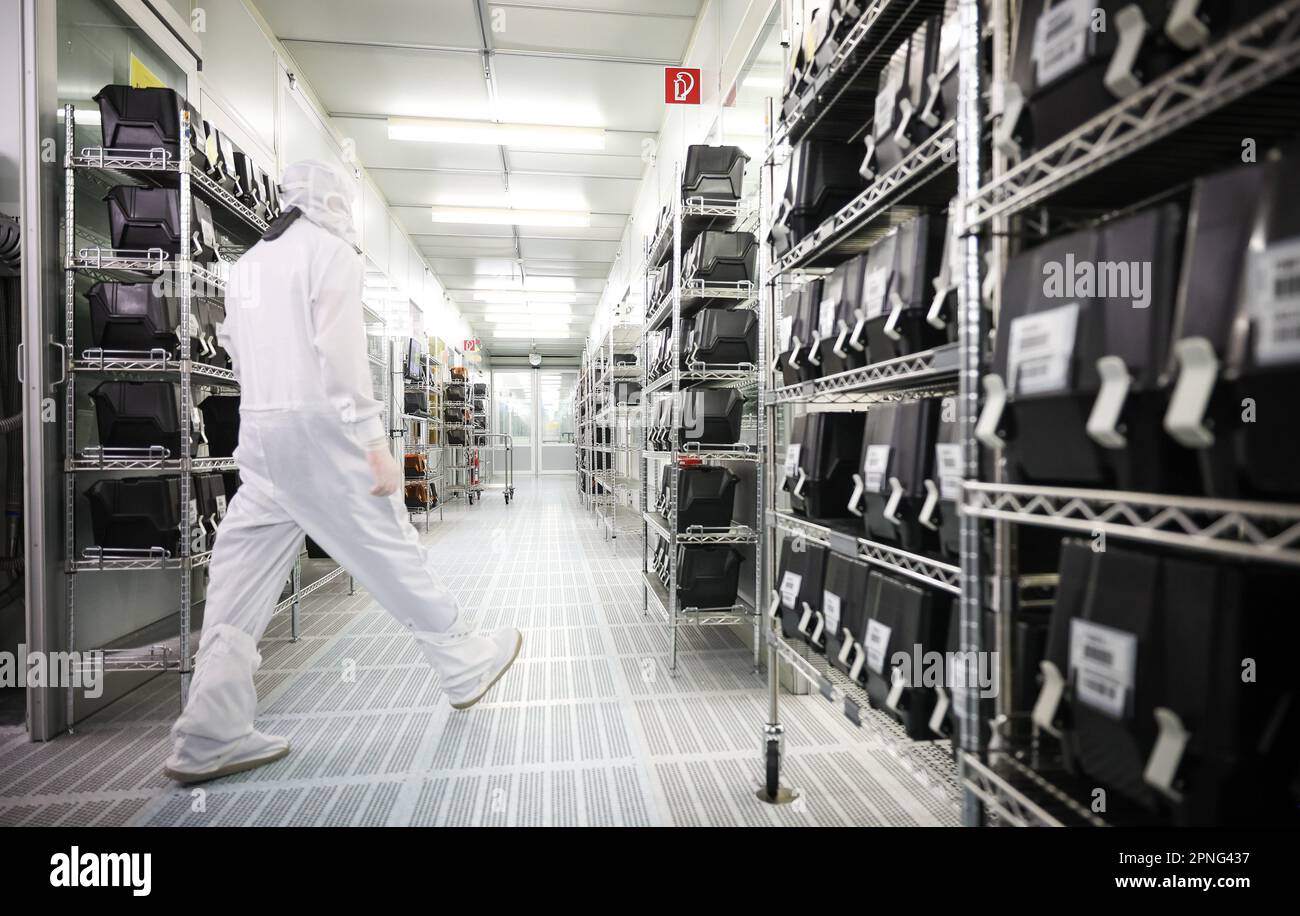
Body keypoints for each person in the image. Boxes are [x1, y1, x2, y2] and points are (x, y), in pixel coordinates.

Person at [163, 160, 521, 784]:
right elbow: (342, 358)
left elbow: (238, 354)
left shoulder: (247, 263)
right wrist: (372, 441)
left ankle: (209, 730)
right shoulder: (330, 252)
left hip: (261, 431)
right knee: (389, 546)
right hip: (322, 430)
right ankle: (462, 660)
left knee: (237, 577)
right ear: (334, 200)